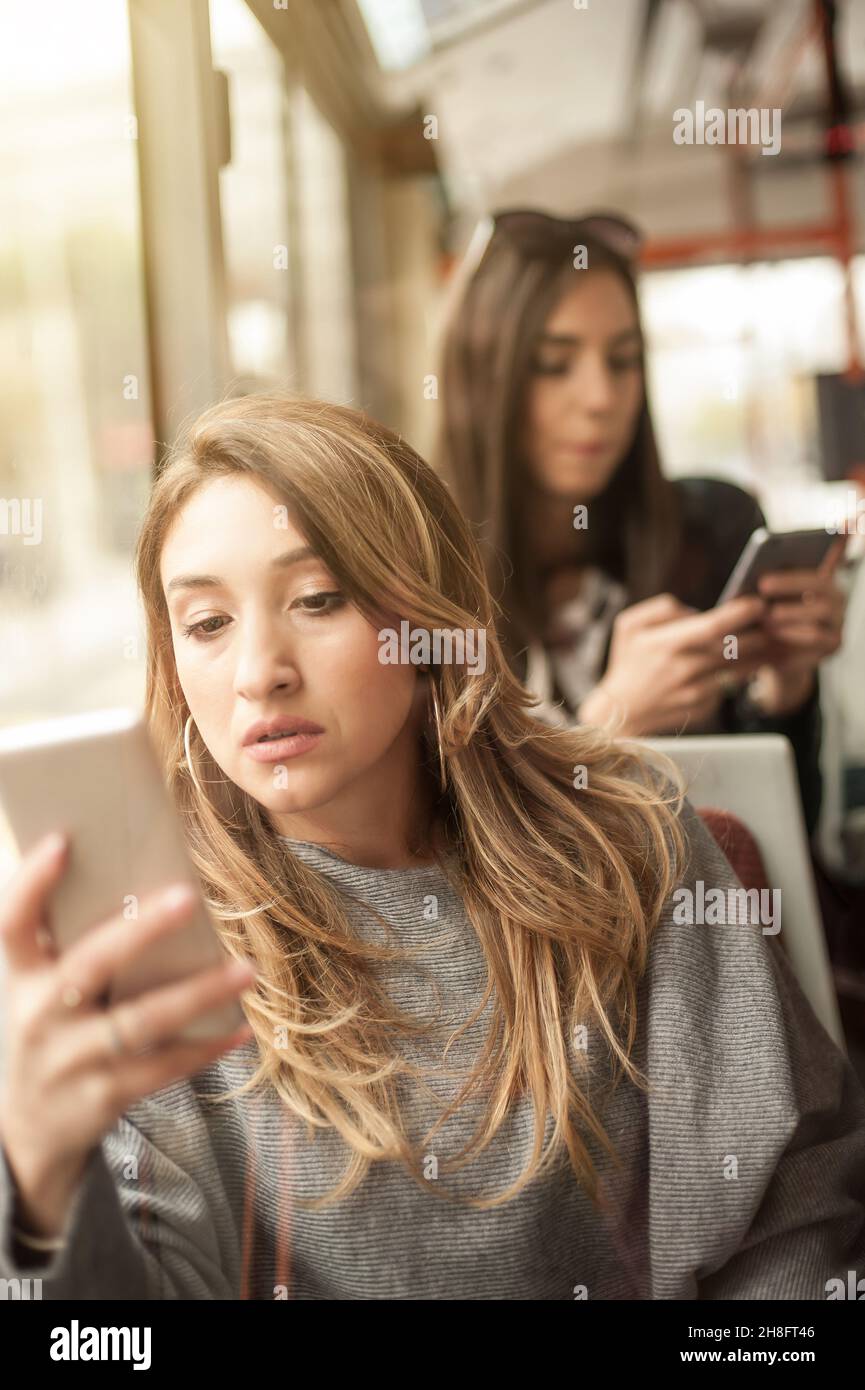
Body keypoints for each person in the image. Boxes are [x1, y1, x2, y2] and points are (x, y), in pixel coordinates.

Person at [0, 392, 863, 1300]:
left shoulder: (625, 842)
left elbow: (788, 1240)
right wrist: (47, 1196)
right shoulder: (153, 935)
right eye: (207, 624)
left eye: (318, 599)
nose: (259, 672)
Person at [434, 209, 848, 836]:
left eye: (623, 361)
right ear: (480, 380)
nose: (601, 397)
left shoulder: (712, 529)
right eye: (554, 364)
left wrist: (782, 689)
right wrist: (608, 729)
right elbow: (444, 871)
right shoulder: (418, 581)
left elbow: (778, 847)